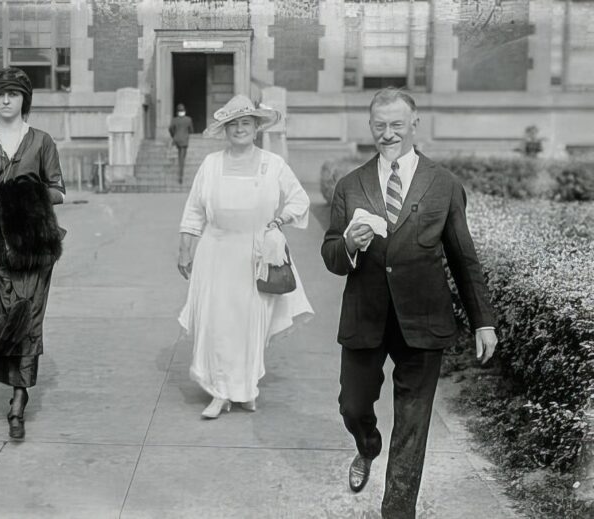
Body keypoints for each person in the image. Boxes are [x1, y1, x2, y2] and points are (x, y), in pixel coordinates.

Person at [321, 87, 498, 518]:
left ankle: (397, 511)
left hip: (423, 321)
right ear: (370, 127)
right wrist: (347, 243)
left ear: (414, 124)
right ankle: (367, 446)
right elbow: (331, 257)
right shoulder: (350, 185)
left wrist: (483, 321)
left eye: (396, 125)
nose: (388, 134)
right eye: (380, 126)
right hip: (365, 318)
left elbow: (463, 256)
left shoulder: (444, 185)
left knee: (413, 425)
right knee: (353, 405)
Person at [178, 94, 313, 419]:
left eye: (246, 123)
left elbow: (299, 200)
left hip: (256, 255)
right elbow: (195, 210)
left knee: (250, 324)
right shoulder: (211, 164)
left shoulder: (273, 164)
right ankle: (220, 392)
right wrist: (186, 248)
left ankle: (245, 389)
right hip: (216, 252)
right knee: (218, 324)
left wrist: (279, 221)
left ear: (256, 128)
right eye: (233, 124)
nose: (240, 129)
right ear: (226, 129)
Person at [0, 67, 66, 440]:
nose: (6, 101)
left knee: (28, 317)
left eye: (13, 94)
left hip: (33, 243)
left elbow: (57, 190)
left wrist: (12, 197)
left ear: (24, 100)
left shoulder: (42, 141)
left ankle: (19, 401)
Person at [169, 103, 194, 184]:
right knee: (182, 158)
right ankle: (180, 176)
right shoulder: (188, 119)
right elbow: (191, 130)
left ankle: (180, 171)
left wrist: (174, 135)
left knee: (180, 154)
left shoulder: (174, 120)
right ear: (184, 111)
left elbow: (170, 129)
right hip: (184, 140)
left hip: (177, 139)